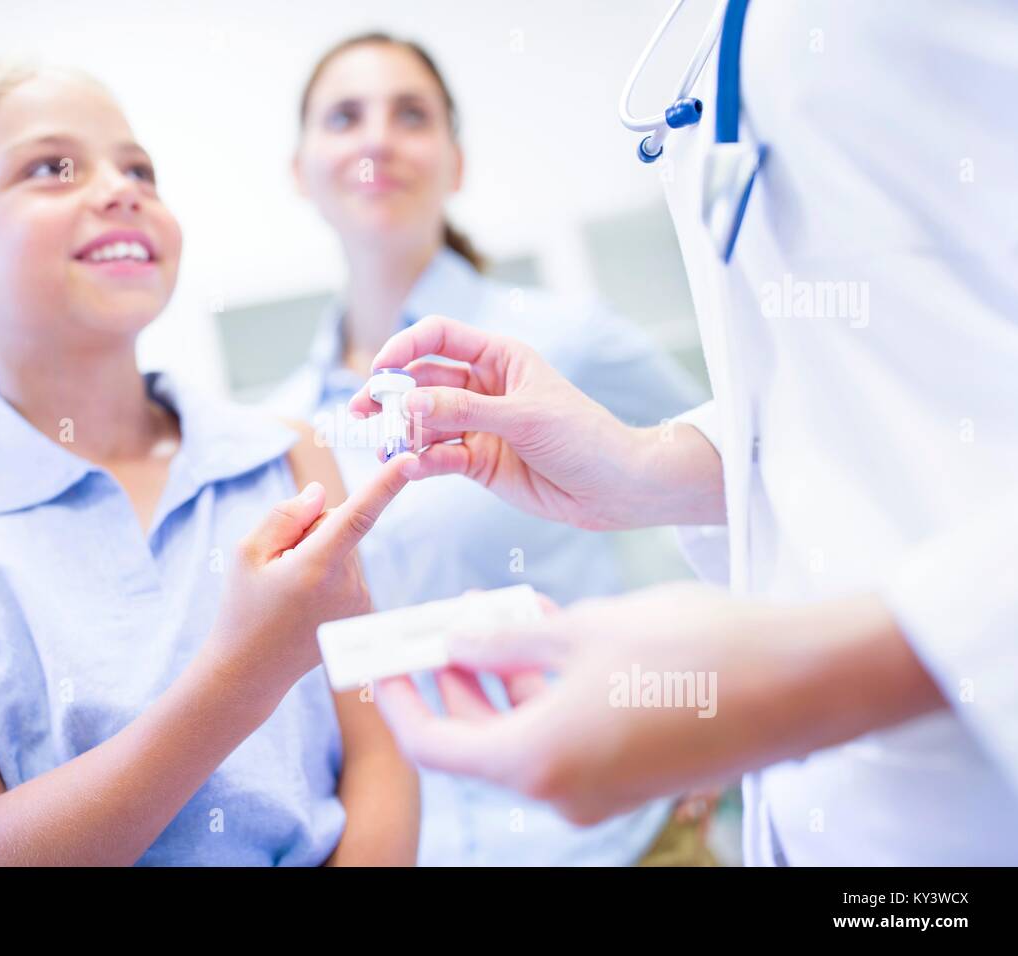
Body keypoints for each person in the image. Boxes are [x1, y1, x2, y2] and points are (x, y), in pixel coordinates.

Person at [350, 0, 1018, 865]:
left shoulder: (571, 327)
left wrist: (790, 684)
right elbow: (861, 389)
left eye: (411, 112)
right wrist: (639, 468)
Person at [0, 61, 421, 866]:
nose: (119, 188)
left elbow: (383, 758)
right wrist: (242, 673)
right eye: (50, 169)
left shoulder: (288, 452)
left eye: (138, 169)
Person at [272, 32, 714, 865]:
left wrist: (713, 702)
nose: (376, 138)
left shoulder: (561, 343)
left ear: (455, 161)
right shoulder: (284, 427)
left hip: (617, 836)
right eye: (344, 116)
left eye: (410, 114)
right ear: (301, 169)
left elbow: (749, 479)